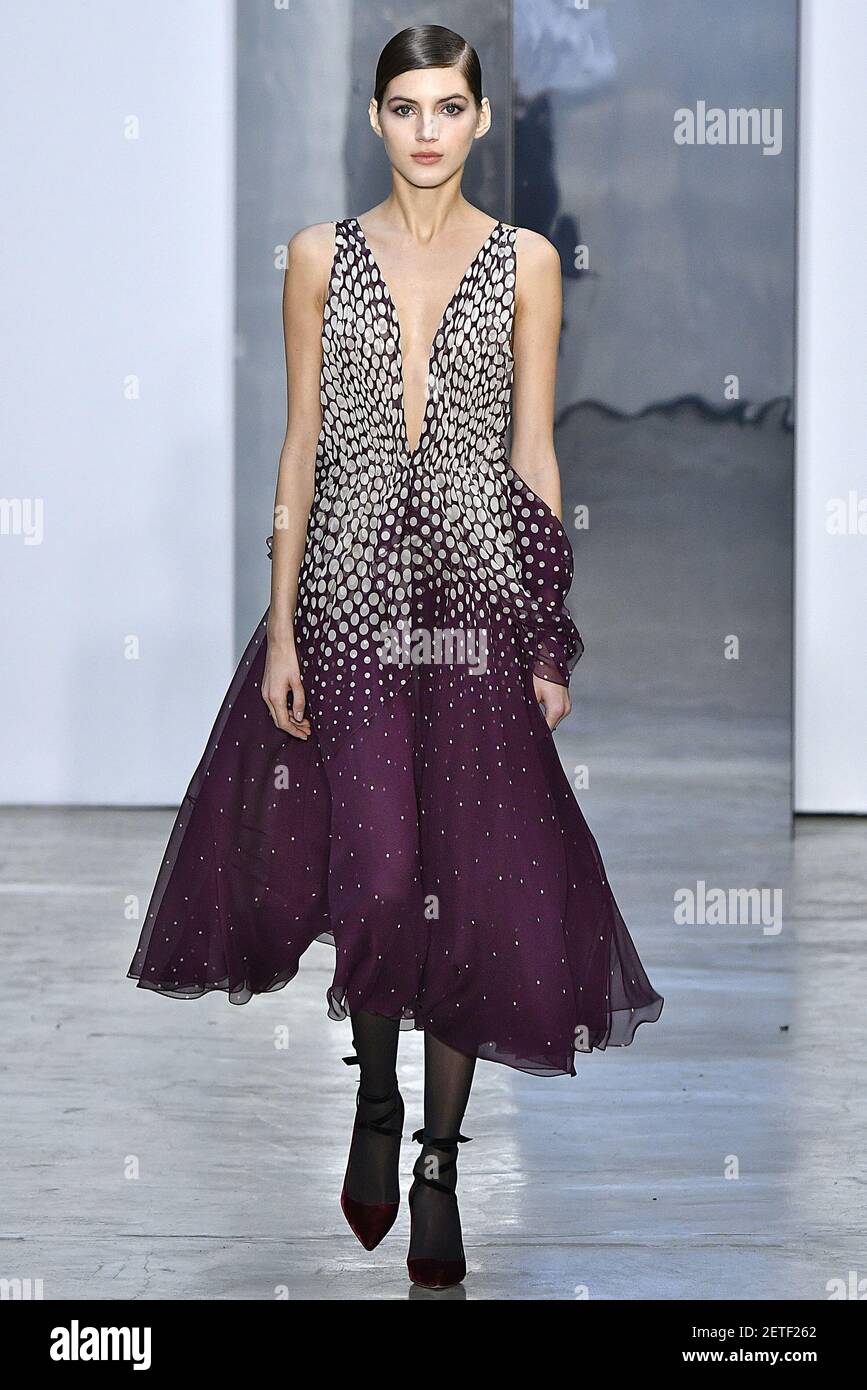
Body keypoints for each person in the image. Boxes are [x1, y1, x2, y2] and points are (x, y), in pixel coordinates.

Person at [128, 23, 664, 1291]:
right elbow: (303, 441)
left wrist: (547, 632)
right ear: (376, 121)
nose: (428, 129)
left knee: (466, 895)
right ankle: (376, 1097)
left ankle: (435, 1162)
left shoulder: (528, 263)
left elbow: (537, 451)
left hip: (480, 610)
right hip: (354, 609)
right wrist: (280, 621)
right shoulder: (320, 257)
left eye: (450, 107)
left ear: (482, 121)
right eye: (406, 107)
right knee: (376, 879)